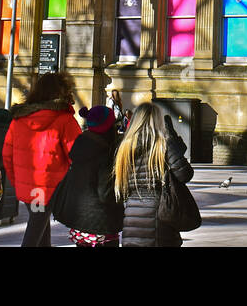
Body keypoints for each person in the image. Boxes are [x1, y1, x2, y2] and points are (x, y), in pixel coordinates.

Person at [2, 71, 82, 247]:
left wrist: (17, 182)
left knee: (40, 228)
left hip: (29, 187)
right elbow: (78, 155)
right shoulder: (64, 120)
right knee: (35, 230)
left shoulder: (19, 120)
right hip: (48, 187)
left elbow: (7, 155)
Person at [114, 103, 194, 247]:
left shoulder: (125, 146)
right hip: (159, 212)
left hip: (132, 214)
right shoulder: (163, 144)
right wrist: (172, 139)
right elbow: (185, 174)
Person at [53, 106, 124, 247]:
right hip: (100, 223)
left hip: (79, 221)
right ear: (108, 128)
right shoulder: (104, 152)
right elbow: (105, 193)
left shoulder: (81, 145)